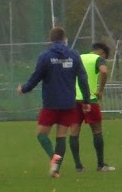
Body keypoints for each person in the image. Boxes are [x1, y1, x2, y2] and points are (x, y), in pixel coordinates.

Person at [18, 26, 91, 178]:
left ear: (50, 39)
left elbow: (36, 77)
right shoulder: (74, 55)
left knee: (41, 135)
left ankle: (54, 158)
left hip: (51, 103)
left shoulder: (46, 56)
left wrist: (24, 89)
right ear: (65, 39)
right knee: (61, 136)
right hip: (68, 103)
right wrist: (86, 99)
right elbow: (83, 79)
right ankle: (56, 170)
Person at [77, 41, 115, 172]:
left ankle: (78, 166)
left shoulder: (78, 57)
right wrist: (101, 90)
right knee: (97, 130)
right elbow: (104, 72)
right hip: (90, 100)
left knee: (74, 132)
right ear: (102, 53)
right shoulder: (98, 59)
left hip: (74, 100)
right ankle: (100, 165)